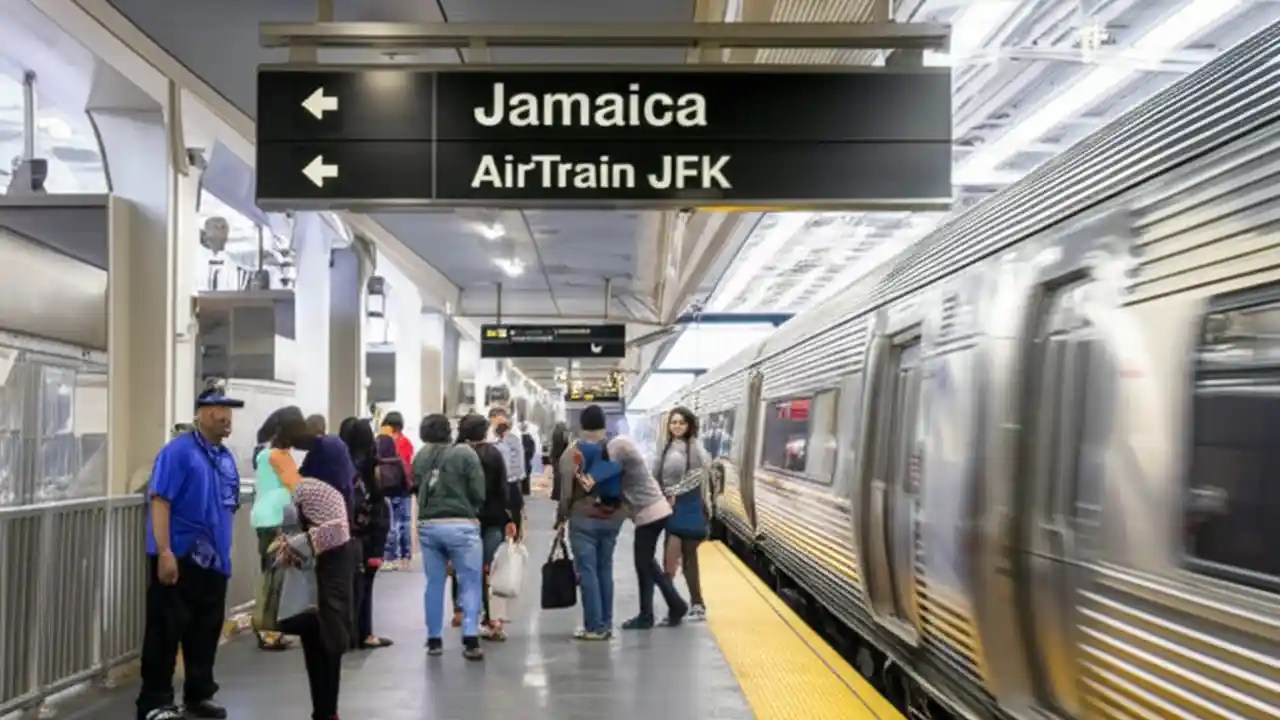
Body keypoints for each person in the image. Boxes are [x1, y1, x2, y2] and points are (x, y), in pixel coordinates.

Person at [136, 388, 244, 720]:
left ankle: (198, 694)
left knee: (205, 632)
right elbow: (161, 500)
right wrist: (164, 551)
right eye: (218, 410)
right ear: (201, 413)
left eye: (229, 411)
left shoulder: (225, 458)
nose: (226, 417)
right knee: (165, 632)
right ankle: (155, 702)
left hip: (214, 562)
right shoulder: (179, 452)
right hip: (180, 557)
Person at [275, 476, 357, 720]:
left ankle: (325, 712)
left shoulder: (304, 492)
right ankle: (327, 712)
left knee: (318, 650)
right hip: (329, 591)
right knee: (328, 646)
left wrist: (294, 546)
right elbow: (337, 530)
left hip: (313, 598)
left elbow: (293, 540)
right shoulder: (335, 496)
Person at [414, 413, 486, 660]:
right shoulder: (466, 454)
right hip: (461, 524)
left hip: (429, 525)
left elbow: (415, 486)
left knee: (434, 583)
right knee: (469, 581)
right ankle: (470, 637)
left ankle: (434, 639)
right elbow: (478, 491)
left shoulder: (421, 456)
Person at [555, 407, 626, 640]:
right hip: (612, 517)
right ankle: (606, 623)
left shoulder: (572, 452)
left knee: (587, 571)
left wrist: (561, 518)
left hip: (583, 517)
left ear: (581, 425)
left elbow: (566, 492)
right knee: (605, 568)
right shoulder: (615, 449)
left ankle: (594, 627)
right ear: (604, 424)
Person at [339, 416, 393, 649]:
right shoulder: (372, 464)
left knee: (345, 585)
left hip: (343, 532)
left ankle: (345, 633)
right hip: (370, 532)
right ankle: (364, 632)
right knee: (366, 583)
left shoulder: (339, 464)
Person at [655, 407, 712, 622]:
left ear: (689, 425)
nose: (677, 426)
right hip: (671, 509)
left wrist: (674, 492)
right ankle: (674, 606)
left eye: (681, 422)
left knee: (689, 559)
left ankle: (697, 604)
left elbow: (699, 476)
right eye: (674, 422)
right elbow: (657, 475)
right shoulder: (665, 448)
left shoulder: (696, 448)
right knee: (669, 560)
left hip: (690, 507)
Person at [469, 414, 519, 641]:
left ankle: (471, 615)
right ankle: (495, 620)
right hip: (495, 519)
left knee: (473, 571)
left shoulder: (462, 456)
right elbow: (503, 489)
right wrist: (510, 519)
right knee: (493, 570)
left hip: (469, 519)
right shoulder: (494, 455)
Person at [250, 409, 293, 652]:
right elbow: (295, 485)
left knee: (270, 572)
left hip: (264, 518)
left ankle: (268, 627)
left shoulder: (264, 453)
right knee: (273, 577)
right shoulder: (276, 456)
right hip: (274, 520)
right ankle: (267, 629)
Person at [379, 412, 415, 571]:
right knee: (404, 523)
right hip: (403, 487)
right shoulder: (406, 442)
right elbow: (407, 466)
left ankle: (390, 557)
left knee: (391, 524)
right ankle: (405, 556)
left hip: (386, 487)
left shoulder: (381, 441)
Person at [489, 408, 525, 535]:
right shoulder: (493, 437)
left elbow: (516, 461)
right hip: (499, 479)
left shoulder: (512, 438)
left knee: (514, 507)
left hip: (510, 480)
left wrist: (511, 477)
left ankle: (515, 534)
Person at [549, 422, 569, 502]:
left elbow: (553, 447)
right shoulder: (564, 435)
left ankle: (555, 494)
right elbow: (566, 445)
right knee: (561, 478)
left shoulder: (555, 434)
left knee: (556, 477)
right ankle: (559, 494)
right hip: (562, 457)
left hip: (555, 457)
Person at [520, 422, 536, 496]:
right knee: (526, 479)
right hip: (526, 462)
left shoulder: (518, 437)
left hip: (521, 462)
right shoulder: (529, 438)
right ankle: (526, 493)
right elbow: (532, 451)